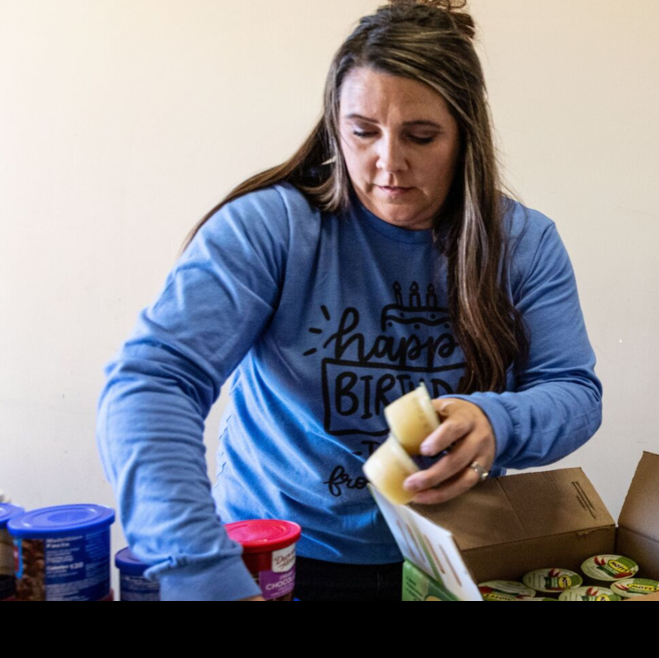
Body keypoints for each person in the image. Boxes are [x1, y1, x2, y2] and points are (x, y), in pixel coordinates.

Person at [96, 0, 602, 601]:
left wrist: (498, 421)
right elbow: (151, 384)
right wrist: (203, 574)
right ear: (335, 124)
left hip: (451, 559)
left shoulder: (522, 242)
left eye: (421, 136)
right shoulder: (272, 227)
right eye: (362, 131)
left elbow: (573, 391)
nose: (388, 163)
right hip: (275, 560)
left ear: (467, 136)